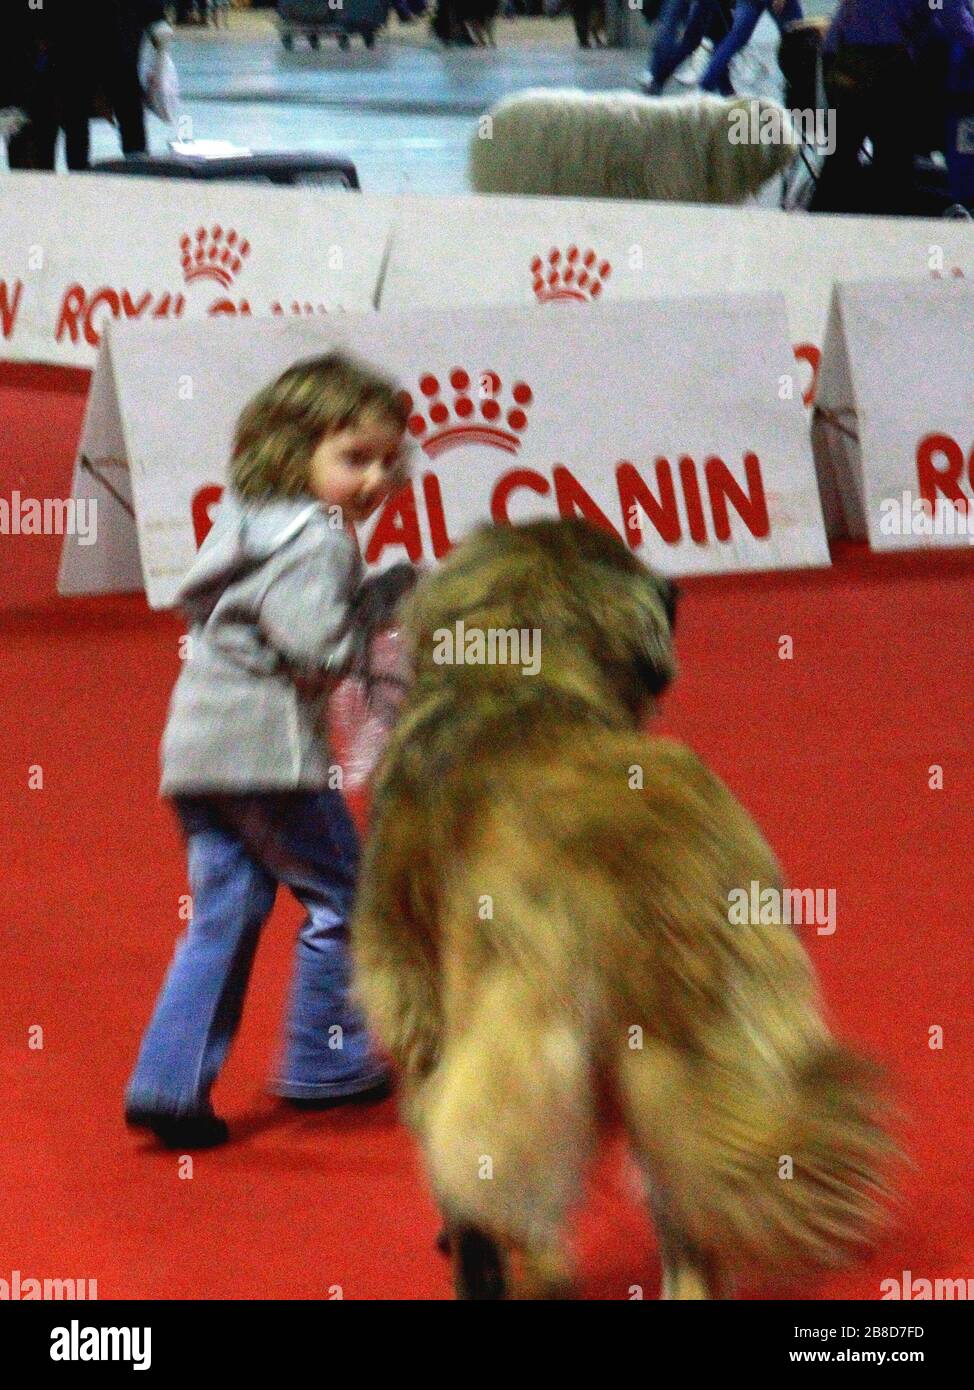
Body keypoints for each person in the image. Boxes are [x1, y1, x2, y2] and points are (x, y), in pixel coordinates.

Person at [124, 352, 419, 1149]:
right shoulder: (318, 540)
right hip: (270, 761)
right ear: (292, 451)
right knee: (349, 902)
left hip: (196, 755)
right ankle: (328, 1064)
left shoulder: (244, 521)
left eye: (390, 461)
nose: (375, 480)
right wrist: (384, 603)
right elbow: (318, 650)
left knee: (224, 914)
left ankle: (169, 1081)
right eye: (354, 458)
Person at [811, 0, 974, 216]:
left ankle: (819, 219)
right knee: (893, 156)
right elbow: (956, 23)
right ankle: (889, 225)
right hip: (888, 63)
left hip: (845, 60)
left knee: (842, 153)